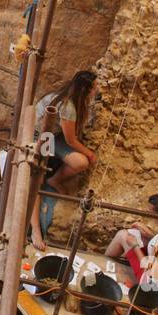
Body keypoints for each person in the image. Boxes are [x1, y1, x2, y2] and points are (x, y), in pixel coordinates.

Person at [29, 69, 98, 249]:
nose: (96, 91)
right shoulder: (68, 106)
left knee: (79, 163)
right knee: (35, 179)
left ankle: (55, 179)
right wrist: (90, 153)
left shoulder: (70, 98)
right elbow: (70, 140)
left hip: (53, 134)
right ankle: (35, 229)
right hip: (41, 137)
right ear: (85, 90)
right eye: (94, 88)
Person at [105, 194, 158, 292]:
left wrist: (134, 245)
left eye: (150, 213)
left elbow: (148, 268)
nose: (149, 216)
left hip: (154, 285)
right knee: (137, 235)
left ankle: (103, 263)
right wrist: (150, 235)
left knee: (122, 235)